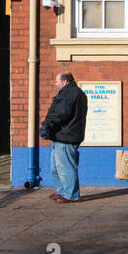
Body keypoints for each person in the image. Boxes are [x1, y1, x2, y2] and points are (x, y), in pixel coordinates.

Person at [39, 71, 87, 203]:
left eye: (57, 81)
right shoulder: (73, 92)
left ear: (65, 81)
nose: (56, 84)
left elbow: (61, 113)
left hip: (67, 136)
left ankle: (71, 195)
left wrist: (46, 125)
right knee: (56, 166)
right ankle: (61, 191)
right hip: (61, 136)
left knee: (66, 167)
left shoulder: (70, 93)